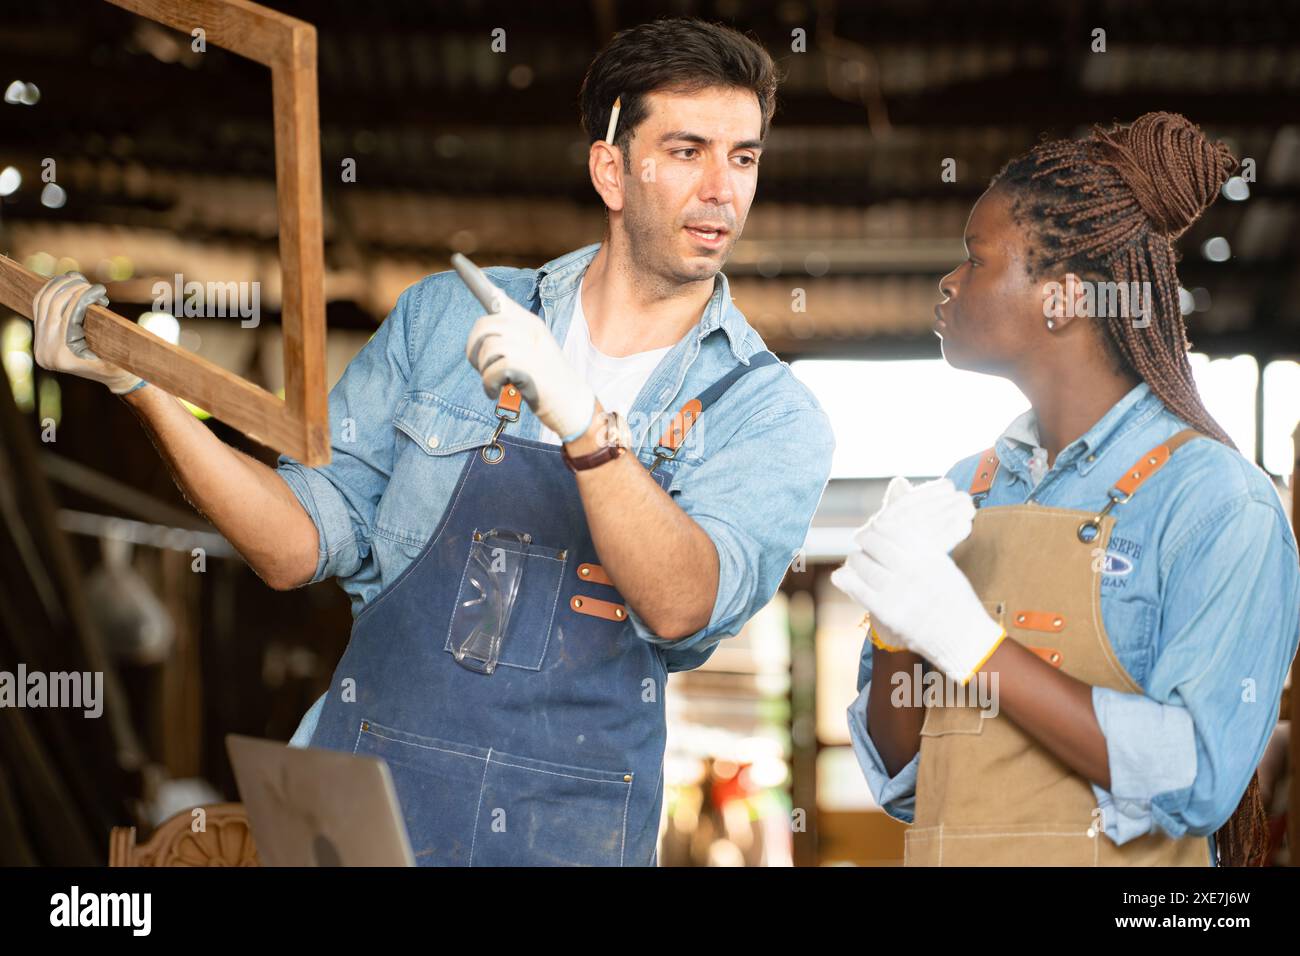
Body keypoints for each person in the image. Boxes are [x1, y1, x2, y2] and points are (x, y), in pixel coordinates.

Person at [30, 17, 834, 866]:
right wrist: (141, 385)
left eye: (743, 157)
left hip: (561, 832)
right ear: (611, 169)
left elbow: (681, 603)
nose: (722, 189)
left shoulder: (768, 415)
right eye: (687, 151)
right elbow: (295, 544)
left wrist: (579, 420)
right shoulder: (446, 319)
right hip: (360, 804)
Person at [833, 112, 1300, 866]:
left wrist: (972, 645)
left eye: (975, 260)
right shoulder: (964, 494)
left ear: (1063, 298)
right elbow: (905, 782)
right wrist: (896, 630)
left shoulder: (1212, 502)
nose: (947, 284)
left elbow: (1199, 774)